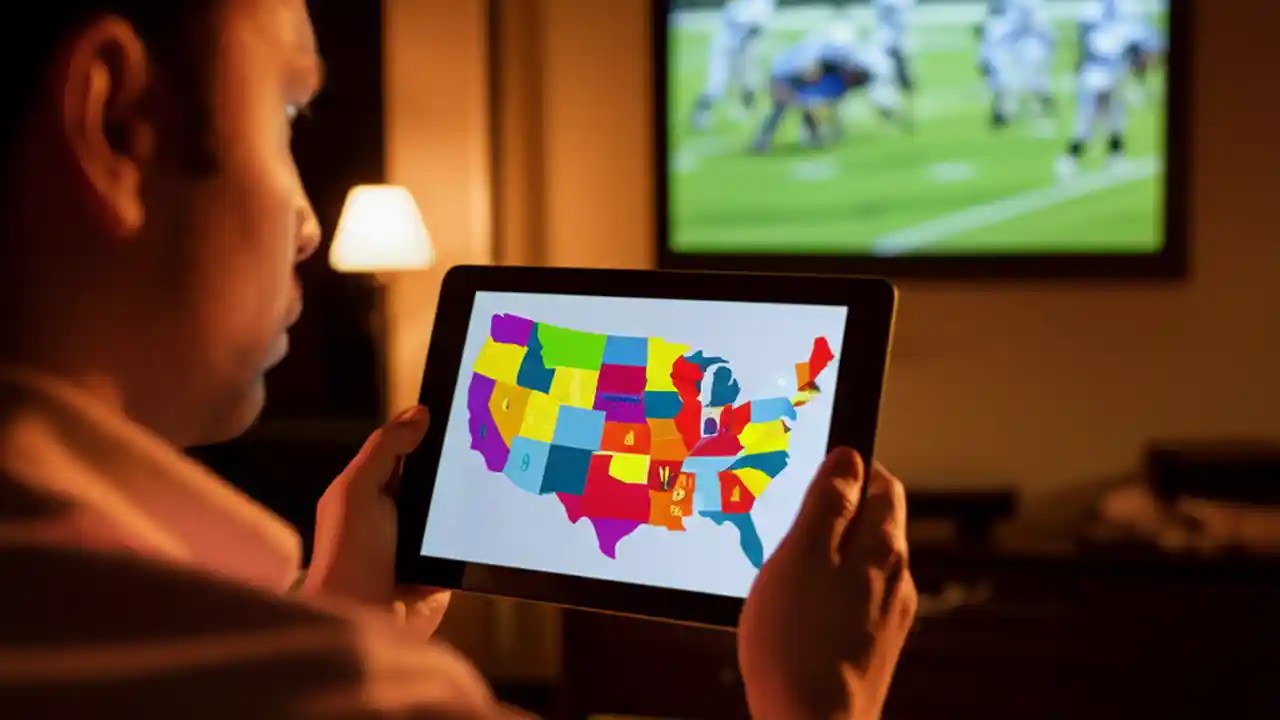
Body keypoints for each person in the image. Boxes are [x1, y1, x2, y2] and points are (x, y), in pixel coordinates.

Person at [0, 1, 917, 717]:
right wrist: (820, 705)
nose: (312, 227)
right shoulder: (323, 694)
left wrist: (338, 615)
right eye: (287, 110)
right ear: (119, 122)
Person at [690, 0, 777, 132]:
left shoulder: (763, 4)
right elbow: (741, 23)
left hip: (744, 47)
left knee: (749, 82)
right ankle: (700, 114)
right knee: (716, 86)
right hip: (725, 47)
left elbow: (756, 28)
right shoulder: (745, 5)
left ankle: (749, 113)